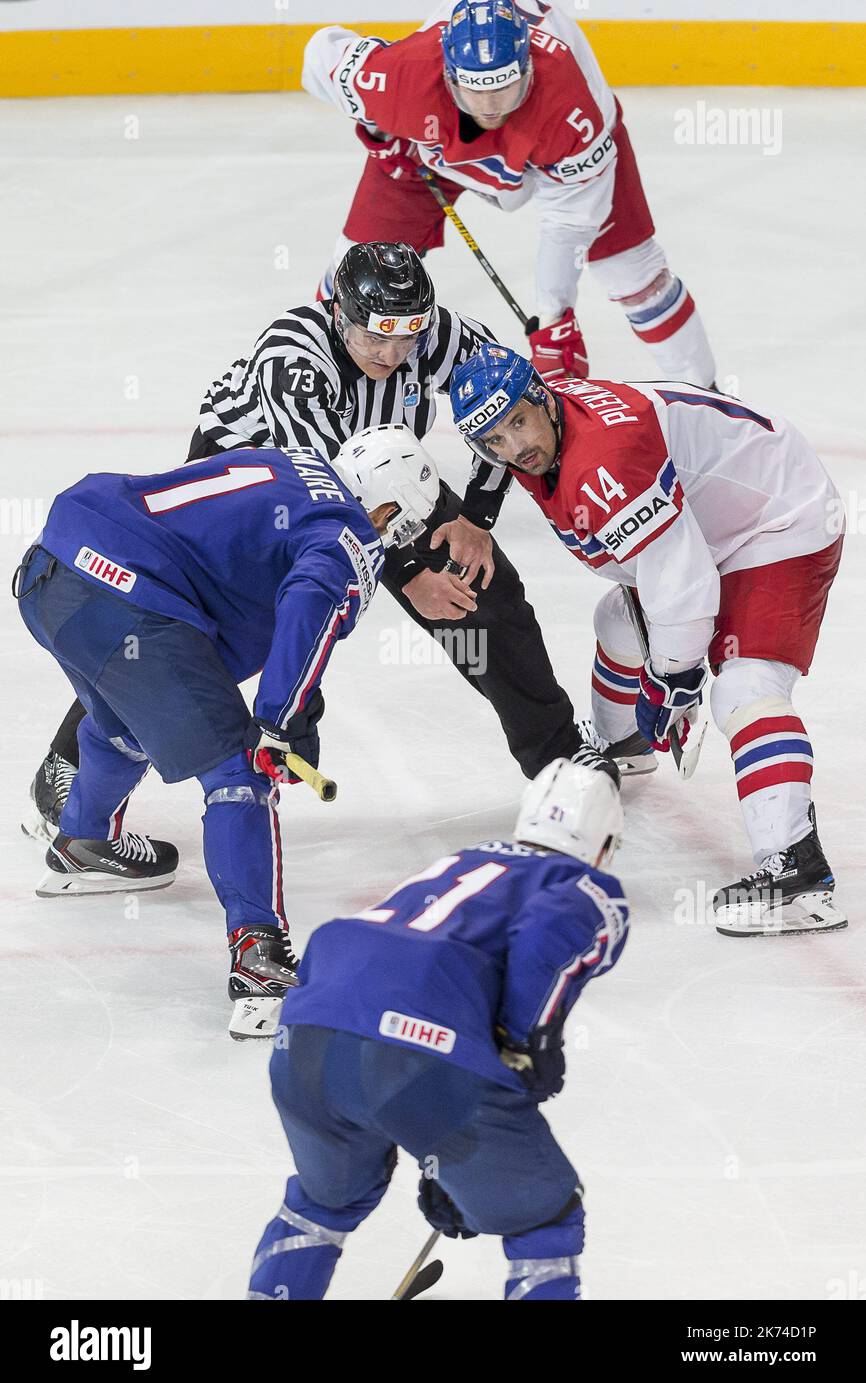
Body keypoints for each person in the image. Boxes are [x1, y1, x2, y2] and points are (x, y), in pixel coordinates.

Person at [24, 242, 588, 844]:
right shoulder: (292, 356)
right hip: (255, 485)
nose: (393, 356)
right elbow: (328, 505)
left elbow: (500, 403)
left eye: (406, 340)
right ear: (340, 314)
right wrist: (414, 577)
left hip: (379, 467)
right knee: (185, 634)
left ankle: (559, 757)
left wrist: (478, 517)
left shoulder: (442, 337)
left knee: (487, 594)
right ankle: (72, 762)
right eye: (376, 338)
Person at [15, 426, 439, 1038]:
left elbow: (253, 574)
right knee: (241, 773)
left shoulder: (291, 463)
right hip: (128, 597)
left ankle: (84, 840)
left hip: (55, 568)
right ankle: (259, 959)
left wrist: (295, 716)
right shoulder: (348, 533)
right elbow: (310, 606)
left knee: (124, 724)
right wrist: (278, 724)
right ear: (389, 508)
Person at [449, 344, 846, 937]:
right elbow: (662, 573)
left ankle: (798, 875)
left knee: (743, 687)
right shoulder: (548, 434)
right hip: (724, 513)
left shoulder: (604, 463)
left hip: (780, 518)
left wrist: (675, 681)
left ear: (542, 400)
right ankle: (626, 744)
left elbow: (683, 587)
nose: (515, 449)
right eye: (495, 442)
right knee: (621, 621)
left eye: (518, 424)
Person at [248, 755, 627, 1301]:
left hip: (308, 1037)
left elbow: (380, 967)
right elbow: (547, 937)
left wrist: (441, 1159)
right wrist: (530, 1051)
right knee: (543, 1216)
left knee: (322, 1202)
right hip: (420, 1059)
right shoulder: (586, 886)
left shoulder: (462, 861)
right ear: (605, 841)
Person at [303, 0, 716, 385]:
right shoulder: (399, 76)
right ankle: (324, 394)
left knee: (637, 277)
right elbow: (319, 55)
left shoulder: (570, 109)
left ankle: (707, 399)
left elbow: (567, 225)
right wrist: (380, 126)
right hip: (425, 150)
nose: (490, 108)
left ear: (528, 69)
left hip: (563, 156)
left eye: (503, 90)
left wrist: (554, 316)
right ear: (448, 75)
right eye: (476, 92)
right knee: (352, 279)